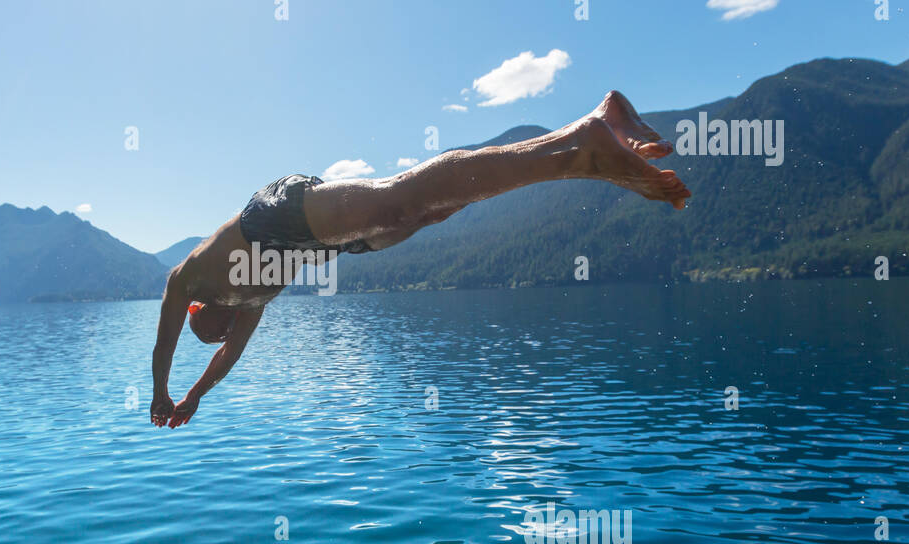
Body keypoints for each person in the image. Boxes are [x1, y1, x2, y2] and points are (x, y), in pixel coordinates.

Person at [149, 91, 690, 428]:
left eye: (210, 330)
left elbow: (167, 322)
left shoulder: (193, 277)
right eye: (220, 336)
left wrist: (160, 391)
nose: (222, 337)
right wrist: (195, 396)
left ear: (197, 310)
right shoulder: (247, 307)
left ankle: (587, 139)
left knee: (400, 200)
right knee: (423, 215)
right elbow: (228, 359)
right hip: (313, 247)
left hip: (276, 214)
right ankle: (581, 146)